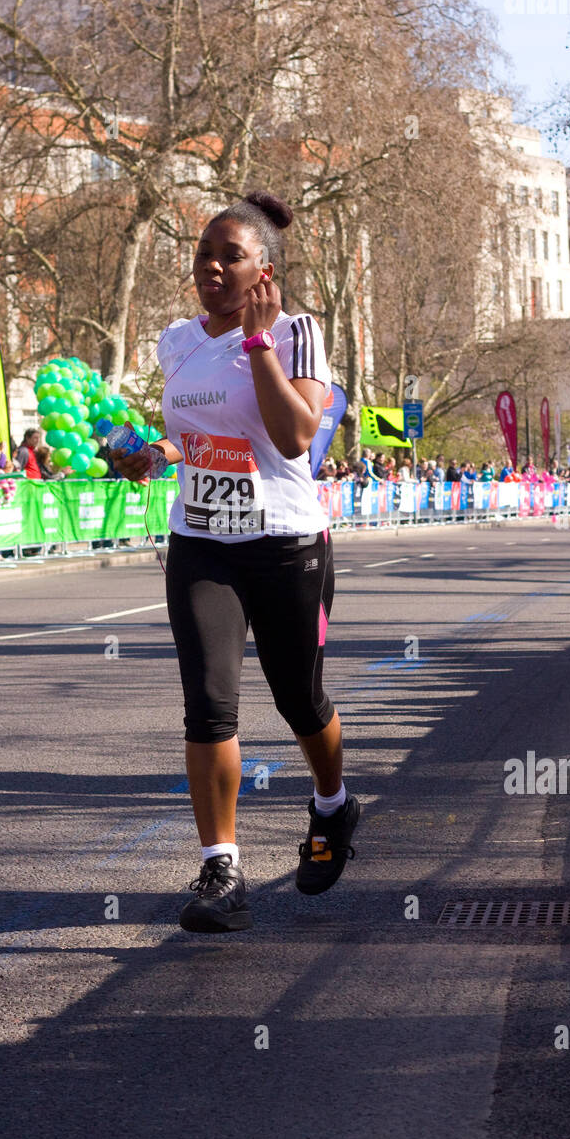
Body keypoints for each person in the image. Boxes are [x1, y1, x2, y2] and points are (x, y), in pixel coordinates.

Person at [110, 190, 356, 934]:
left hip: (285, 544)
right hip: (202, 542)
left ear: (264, 270)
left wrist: (256, 345)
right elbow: (200, 432)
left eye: (231, 256)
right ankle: (223, 865)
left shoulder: (295, 333)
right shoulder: (175, 341)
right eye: (203, 257)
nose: (212, 268)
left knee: (299, 701)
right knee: (209, 703)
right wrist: (153, 453)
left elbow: (289, 438)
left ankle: (333, 804)